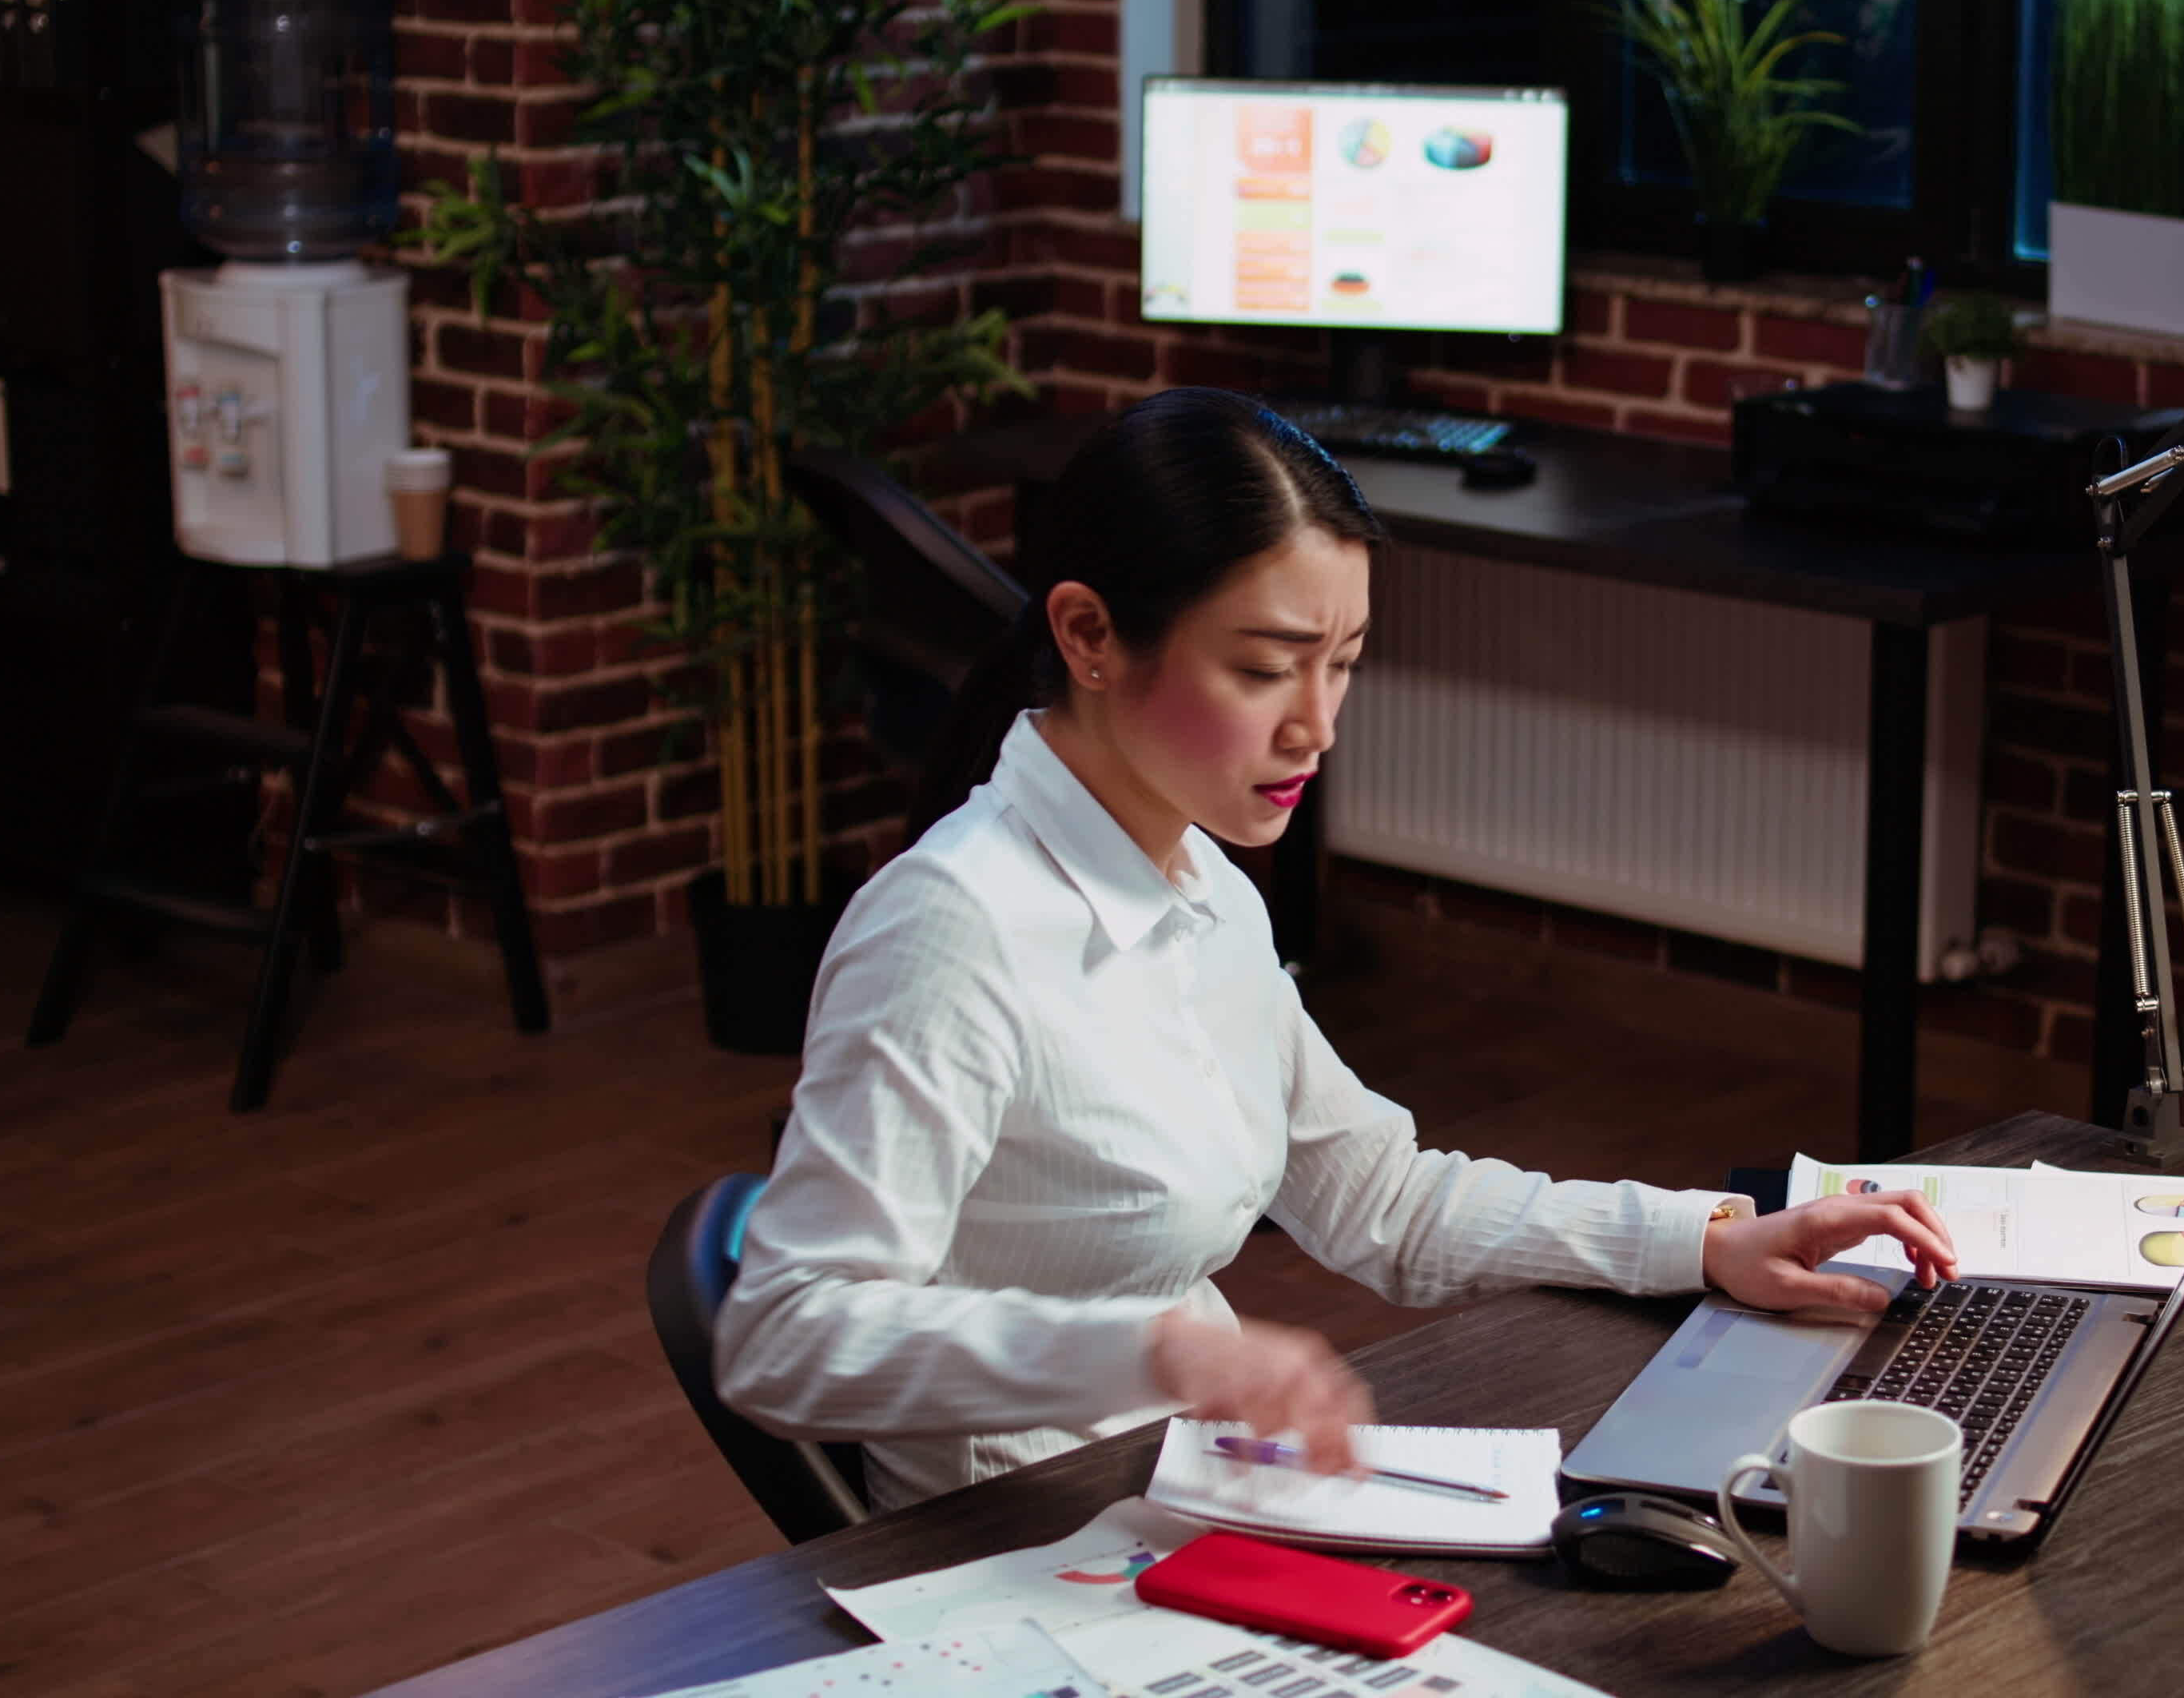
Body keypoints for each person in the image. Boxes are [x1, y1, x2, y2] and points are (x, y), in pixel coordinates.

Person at [714, 388, 1959, 1513]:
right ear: (1090, 636)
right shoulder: (952, 931)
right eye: (1265, 668)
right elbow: (782, 1337)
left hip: (1182, 1491)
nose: (1316, 725)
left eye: (1345, 664)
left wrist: (1701, 1241)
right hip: (1015, 1548)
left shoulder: (1201, 885)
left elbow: (1380, 1200)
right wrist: (1153, 1349)